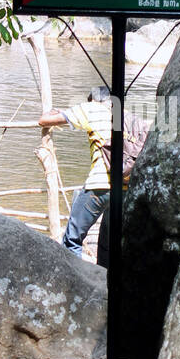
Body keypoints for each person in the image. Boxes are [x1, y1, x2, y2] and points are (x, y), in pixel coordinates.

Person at [39, 86, 112, 261]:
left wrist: (56, 113)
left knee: (72, 238)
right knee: (108, 242)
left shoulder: (90, 108)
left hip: (100, 184)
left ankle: (74, 283)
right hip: (126, 186)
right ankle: (105, 282)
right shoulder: (122, 113)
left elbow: (43, 120)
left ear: (93, 100)